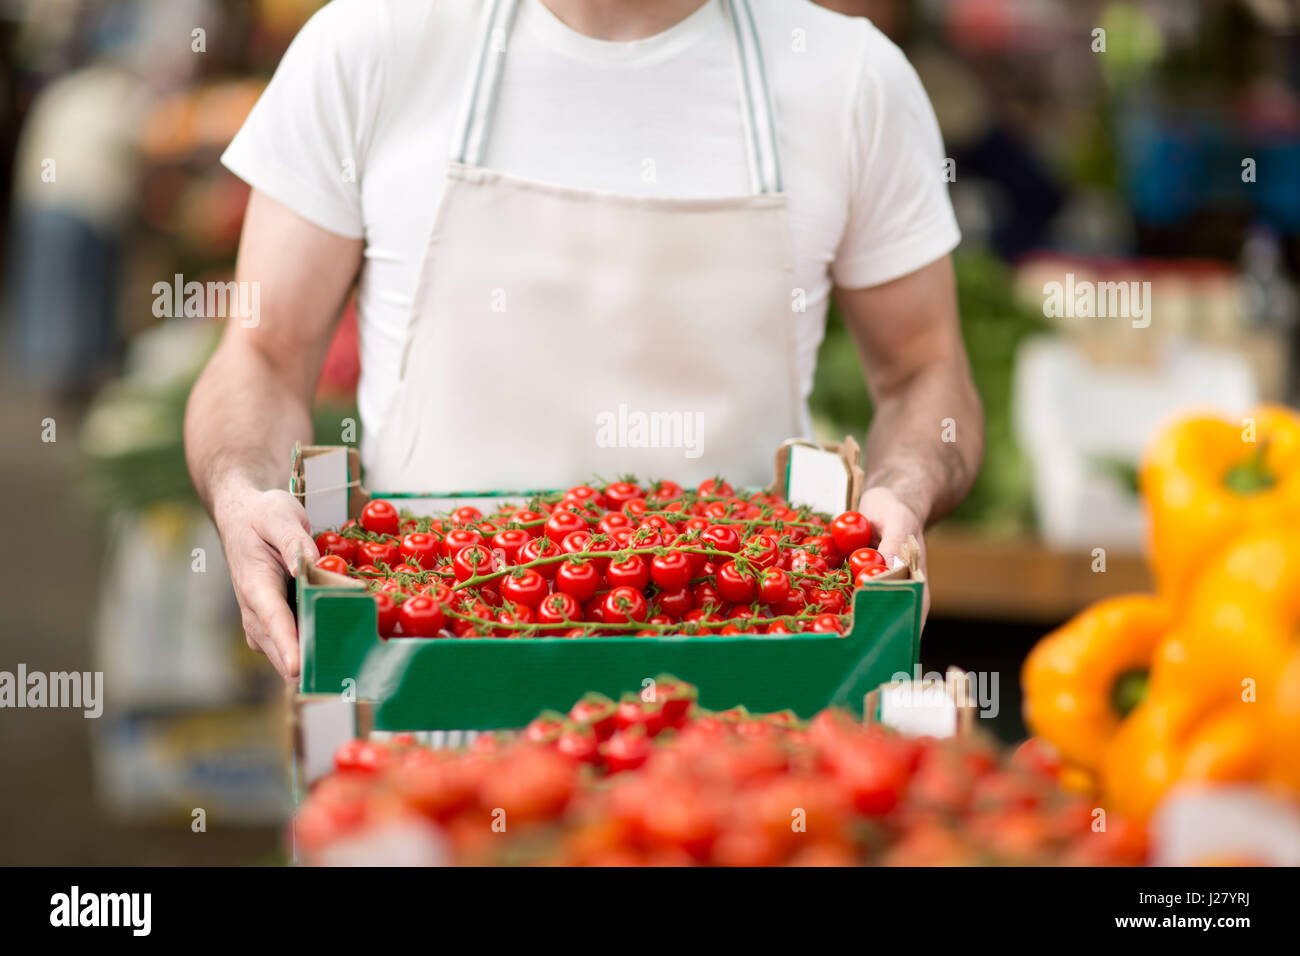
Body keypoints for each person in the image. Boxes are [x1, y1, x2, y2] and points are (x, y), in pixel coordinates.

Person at [185, 0, 983, 680]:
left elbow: (926, 370)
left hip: (752, 656)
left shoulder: (849, 80)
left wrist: (904, 487)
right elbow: (262, 353)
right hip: (424, 655)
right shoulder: (371, 44)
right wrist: (243, 494)